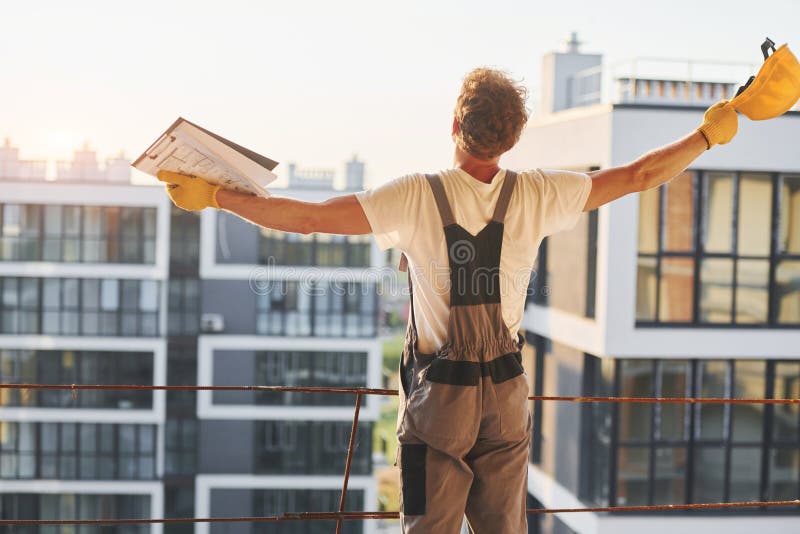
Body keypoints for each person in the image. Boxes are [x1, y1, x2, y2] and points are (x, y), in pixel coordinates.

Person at [157, 67, 738, 533]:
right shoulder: (539, 191)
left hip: (441, 399)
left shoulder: (414, 195)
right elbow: (638, 175)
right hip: (508, 391)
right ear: (511, 139)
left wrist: (218, 195)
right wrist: (712, 131)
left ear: (455, 124)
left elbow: (308, 219)